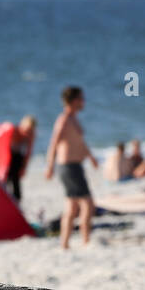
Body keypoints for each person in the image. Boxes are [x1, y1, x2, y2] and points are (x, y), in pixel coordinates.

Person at [45, 85, 98, 249]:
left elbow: (80, 142)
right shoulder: (64, 119)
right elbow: (54, 142)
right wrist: (50, 166)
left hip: (72, 166)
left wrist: (91, 157)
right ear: (74, 100)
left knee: (72, 206)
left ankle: (65, 243)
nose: (84, 102)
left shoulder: (73, 119)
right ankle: (86, 240)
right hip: (69, 166)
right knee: (88, 203)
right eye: (81, 98)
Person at [5, 115, 37, 203]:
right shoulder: (14, 130)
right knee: (5, 180)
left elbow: (28, 153)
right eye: (27, 129)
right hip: (8, 156)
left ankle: (17, 202)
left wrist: (24, 168)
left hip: (18, 158)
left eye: (30, 130)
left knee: (16, 182)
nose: (27, 132)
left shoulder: (31, 135)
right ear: (22, 125)